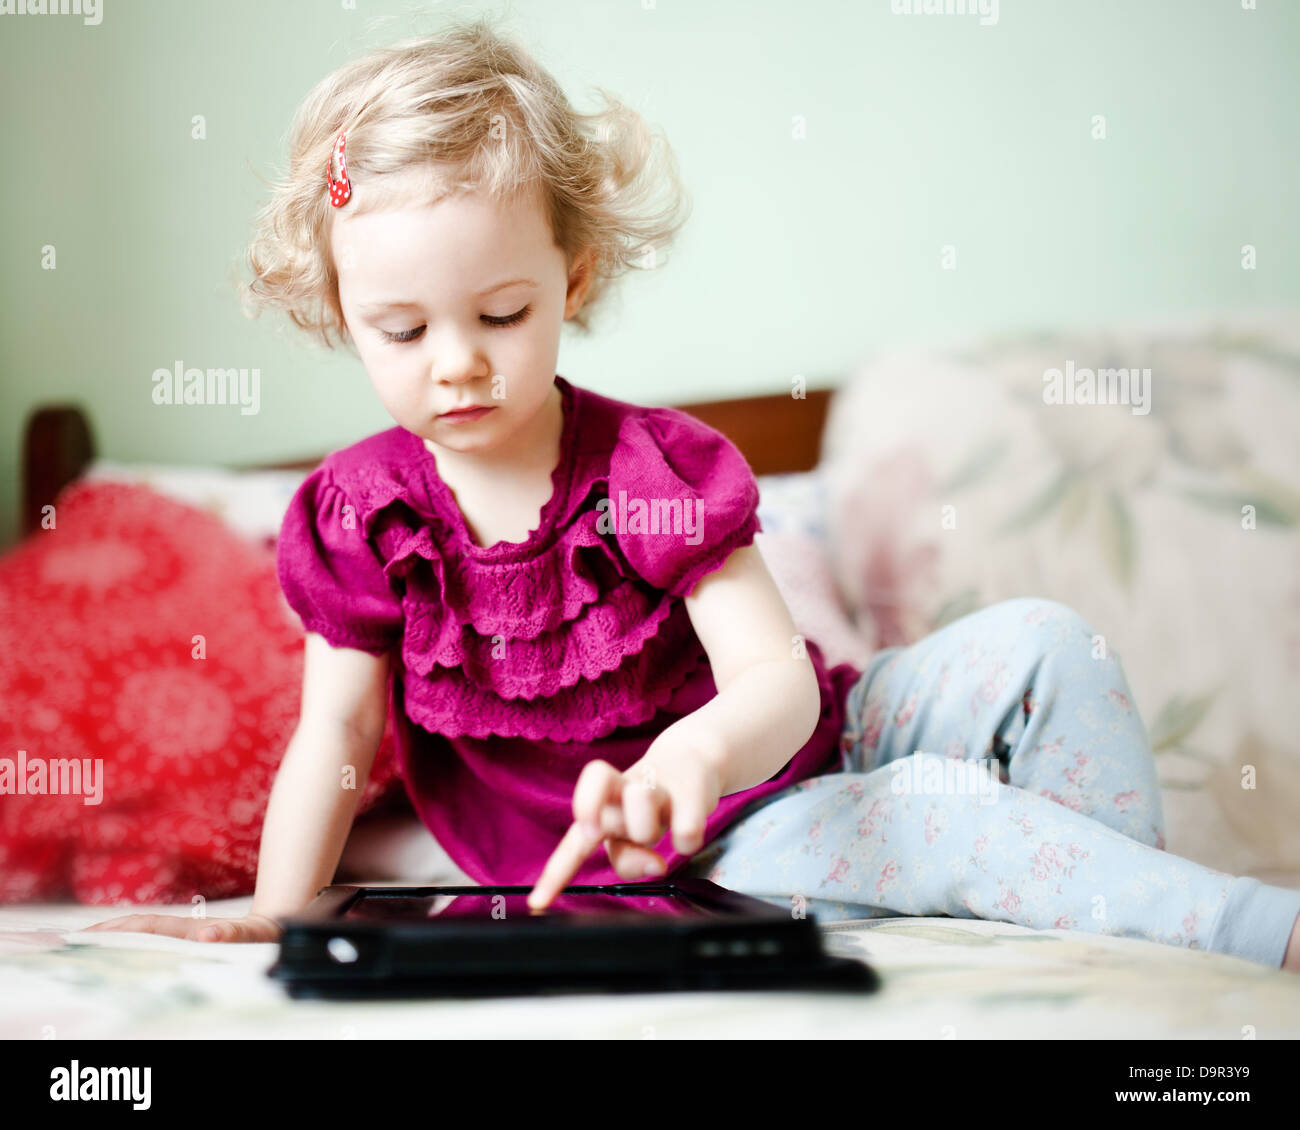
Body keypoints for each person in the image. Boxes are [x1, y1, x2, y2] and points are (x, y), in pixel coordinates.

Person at [87, 17, 1300, 972]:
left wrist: (698, 750)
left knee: (1048, 640)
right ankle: (1252, 926)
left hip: (782, 739)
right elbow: (337, 736)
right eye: (399, 328)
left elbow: (772, 679)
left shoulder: (647, 471)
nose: (455, 359)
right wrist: (278, 908)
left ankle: (1125, 925)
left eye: (500, 313)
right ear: (337, 308)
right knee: (936, 819)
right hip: (681, 847)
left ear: (574, 271)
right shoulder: (363, 514)